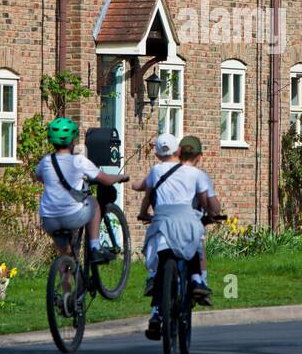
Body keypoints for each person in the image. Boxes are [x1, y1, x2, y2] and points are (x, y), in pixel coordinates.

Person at [135, 133, 221, 339]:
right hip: (187, 220)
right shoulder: (196, 175)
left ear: (156, 154)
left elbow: (146, 194)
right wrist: (211, 214)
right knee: (194, 244)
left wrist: (143, 213)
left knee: (157, 251)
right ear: (179, 151)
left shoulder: (156, 171)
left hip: (162, 221)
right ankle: (197, 279)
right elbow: (207, 202)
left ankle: (155, 307)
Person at [36, 117, 128, 270]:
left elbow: (39, 176)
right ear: (73, 140)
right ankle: (95, 247)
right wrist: (121, 176)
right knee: (93, 202)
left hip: (49, 219)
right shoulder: (79, 161)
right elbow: (105, 180)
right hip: (72, 216)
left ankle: (66, 293)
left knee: (65, 255)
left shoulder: (46, 161)